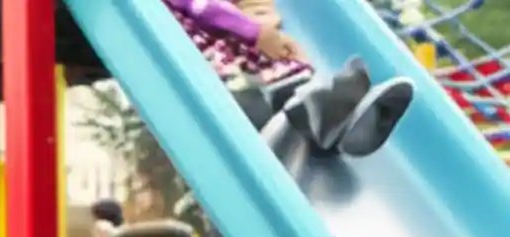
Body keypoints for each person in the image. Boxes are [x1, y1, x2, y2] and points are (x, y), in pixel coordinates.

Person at [165, 0, 415, 157]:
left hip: (237, 53)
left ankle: (335, 113)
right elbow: (202, 6)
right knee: (254, 84)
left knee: (289, 71)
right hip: (212, 64)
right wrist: (256, 31)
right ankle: (317, 111)